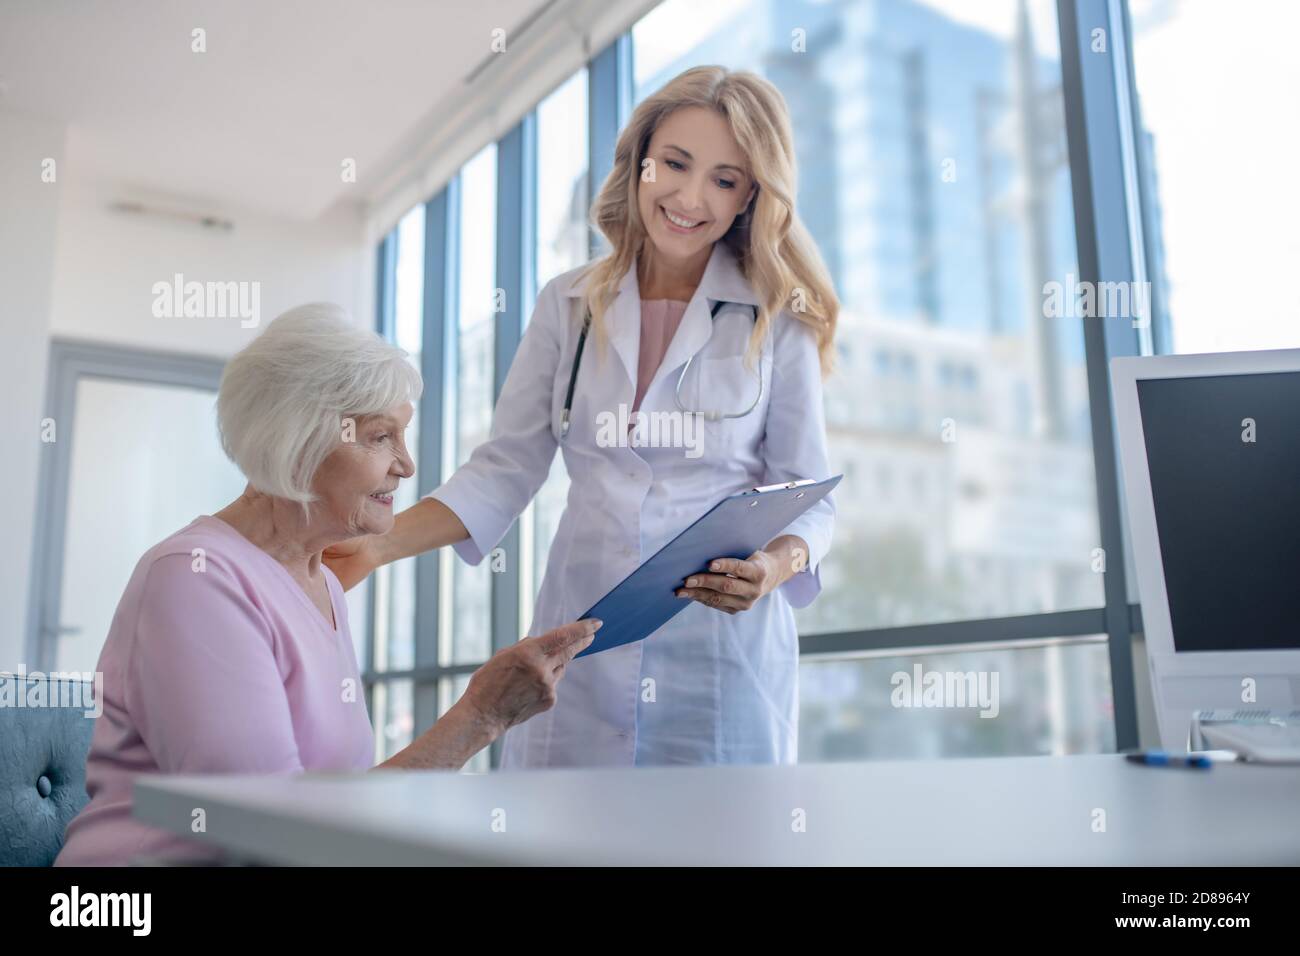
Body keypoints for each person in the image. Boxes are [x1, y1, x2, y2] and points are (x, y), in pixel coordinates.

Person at [325, 65, 838, 768]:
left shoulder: (779, 317)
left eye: (724, 178)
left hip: (718, 654)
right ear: (639, 164)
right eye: (676, 165)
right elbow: (507, 466)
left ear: (751, 194)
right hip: (582, 634)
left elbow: (809, 495)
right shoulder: (568, 304)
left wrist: (774, 569)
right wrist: (377, 548)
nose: (691, 197)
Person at [55, 305, 599, 866]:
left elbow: (326, 814)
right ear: (298, 440)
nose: (407, 465)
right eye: (381, 437)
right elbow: (264, 836)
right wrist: (480, 719)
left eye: (403, 435)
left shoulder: (324, 583)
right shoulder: (195, 579)